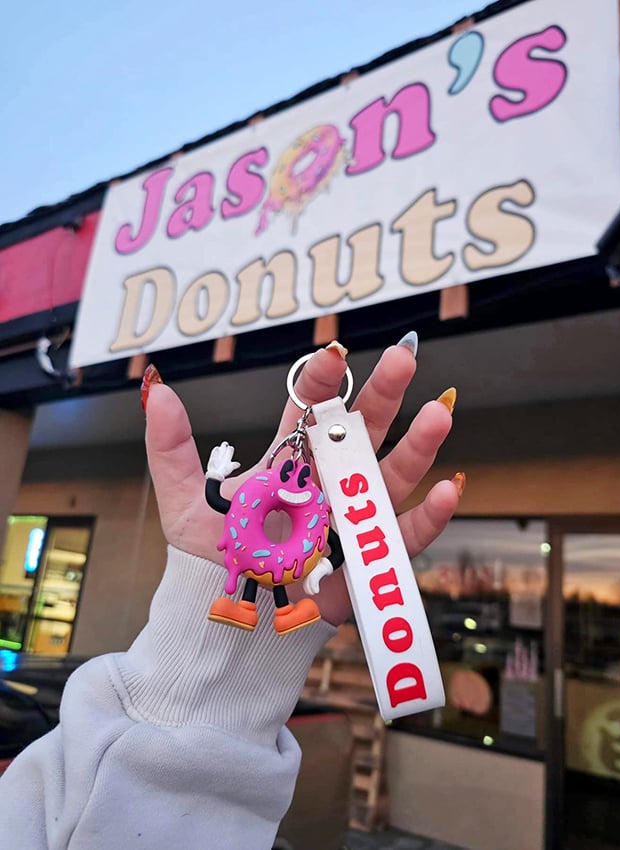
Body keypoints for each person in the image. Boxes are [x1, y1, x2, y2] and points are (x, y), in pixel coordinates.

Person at [0, 334, 460, 850]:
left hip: (287, 566)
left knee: (281, 586)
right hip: (250, 567)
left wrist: (200, 707)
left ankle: (275, 612)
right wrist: (208, 706)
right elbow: (221, 498)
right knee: (260, 582)